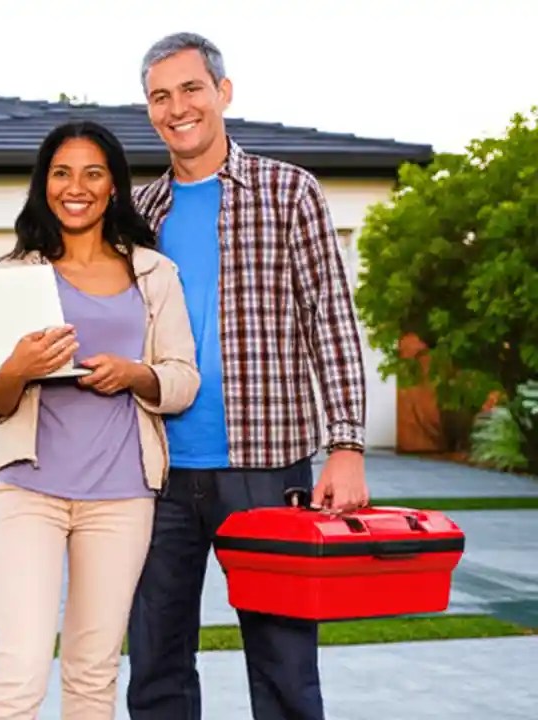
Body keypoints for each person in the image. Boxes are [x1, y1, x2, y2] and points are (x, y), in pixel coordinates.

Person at [124, 32, 372, 720]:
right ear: (149, 110)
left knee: (284, 665)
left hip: (268, 471)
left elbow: (331, 321)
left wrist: (346, 447)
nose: (177, 108)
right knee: (155, 664)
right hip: (158, 472)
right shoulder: (138, 213)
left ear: (223, 92)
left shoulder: (289, 192)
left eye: (191, 89)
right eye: (160, 97)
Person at [0, 119, 200, 719]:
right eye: (62, 173)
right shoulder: (14, 274)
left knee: (94, 674)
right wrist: (17, 368)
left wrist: (134, 374)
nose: (77, 187)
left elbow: (182, 379)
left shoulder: (153, 274)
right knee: (19, 673)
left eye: (93, 173)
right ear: (43, 184)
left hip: (122, 498)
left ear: (114, 186)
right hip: (29, 493)